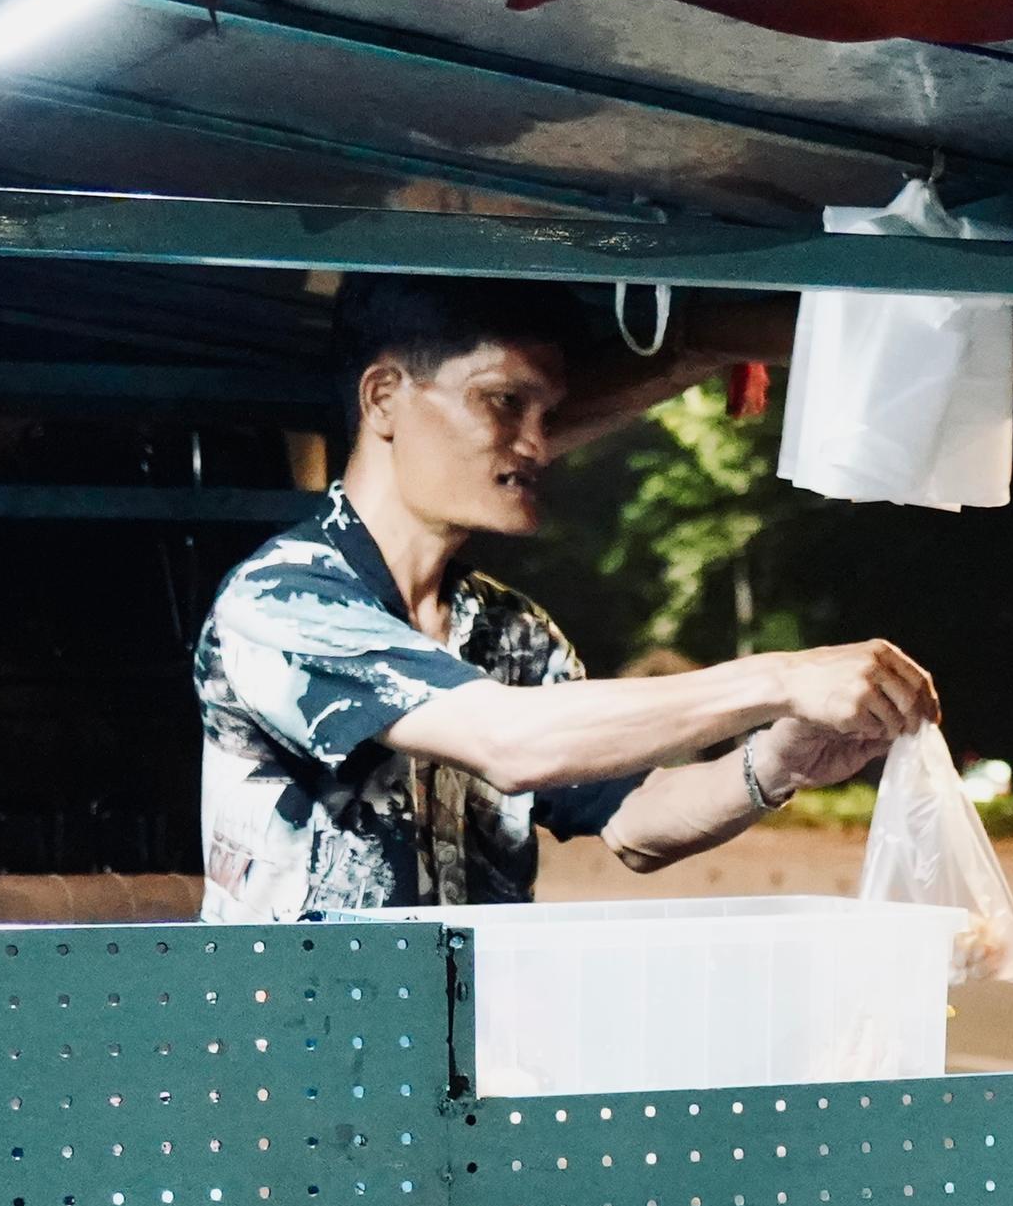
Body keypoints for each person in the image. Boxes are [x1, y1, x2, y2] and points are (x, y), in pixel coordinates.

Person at [196, 275, 940, 921]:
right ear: (384, 398)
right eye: (504, 401)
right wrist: (779, 679)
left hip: (467, 1062)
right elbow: (509, 742)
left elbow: (637, 824)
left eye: (546, 415)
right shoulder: (281, 601)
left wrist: (779, 762)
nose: (538, 446)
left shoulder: (514, 633)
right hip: (298, 1069)